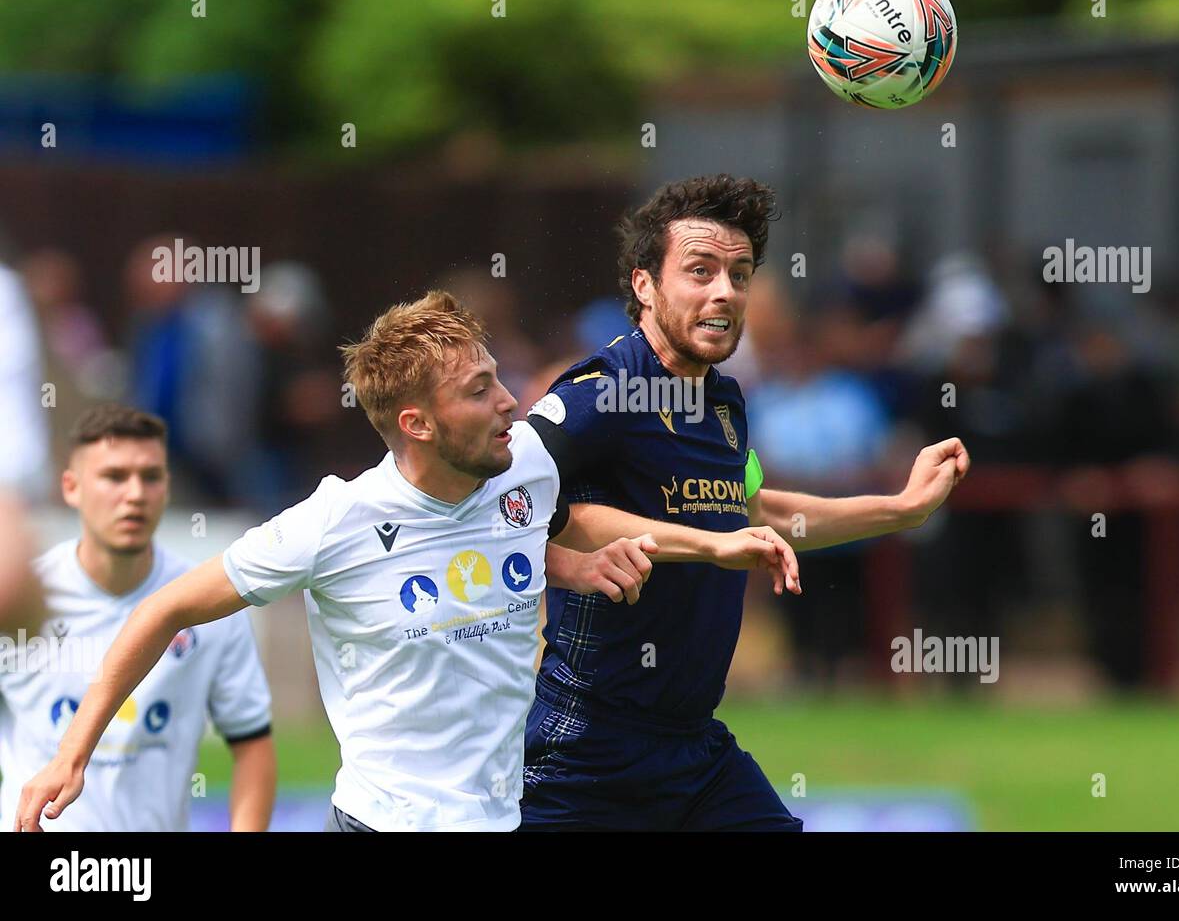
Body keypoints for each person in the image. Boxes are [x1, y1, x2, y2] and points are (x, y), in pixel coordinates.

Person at [16, 291, 798, 832]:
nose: (509, 404)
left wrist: (576, 563)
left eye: (497, 378)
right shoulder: (335, 523)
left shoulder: (523, 467)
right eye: (480, 390)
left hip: (504, 817)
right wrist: (70, 757)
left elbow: (540, 526)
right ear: (418, 423)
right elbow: (164, 608)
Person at [521, 174, 969, 830]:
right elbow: (514, 501)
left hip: (694, 751)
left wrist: (900, 509)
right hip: (585, 757)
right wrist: (708, 544)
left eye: (739, 273)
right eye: (699, 271)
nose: (724, 291)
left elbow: (755, 514)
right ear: (644, 285)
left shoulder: (723, 400)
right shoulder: (603, 389)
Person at [1, 404, 275, 831]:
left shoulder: (208, 601)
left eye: (150, 477)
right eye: (114, 477)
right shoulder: (21, 600)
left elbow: (252, 742)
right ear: (71, 488)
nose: (134, 494)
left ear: (166, 488)